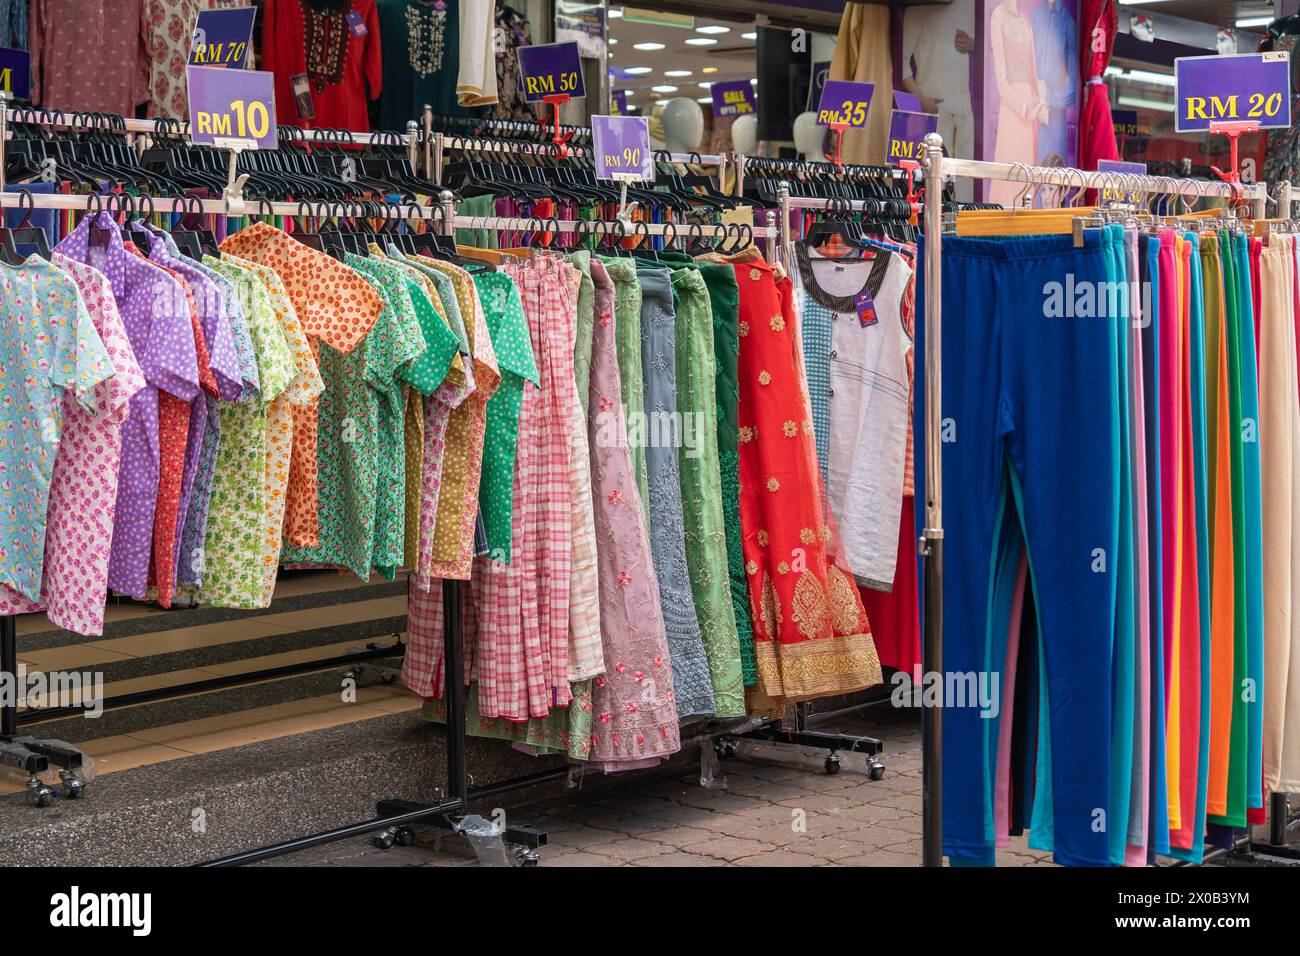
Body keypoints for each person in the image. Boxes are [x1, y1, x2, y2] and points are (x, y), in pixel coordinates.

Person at [900, 0, 976, 172]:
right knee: (935, 172)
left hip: (965, 103)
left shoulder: (970, 5)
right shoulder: (917, 9)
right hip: (934, 105)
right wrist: (922, 99)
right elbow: (901, 62)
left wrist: (973, 44)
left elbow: (992, 48)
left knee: (969, 174)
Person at [988, 0, 1047, 207]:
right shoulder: (998, 16)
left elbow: (1034, 71)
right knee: (1009, 169)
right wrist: (1024, 108)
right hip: (1013, 111)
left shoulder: (1025, 21)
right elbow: (1001, 79)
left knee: (1026, 173)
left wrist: (1039, 103)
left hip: (1030, 110)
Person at [1030, 0, 1079, 167]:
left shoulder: (1068, 23)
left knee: (1053, 171)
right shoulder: (1034, 16)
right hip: (1030, 107)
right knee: (1027, 168)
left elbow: (1073, 87)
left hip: (1054, 115)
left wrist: (1050, 100)